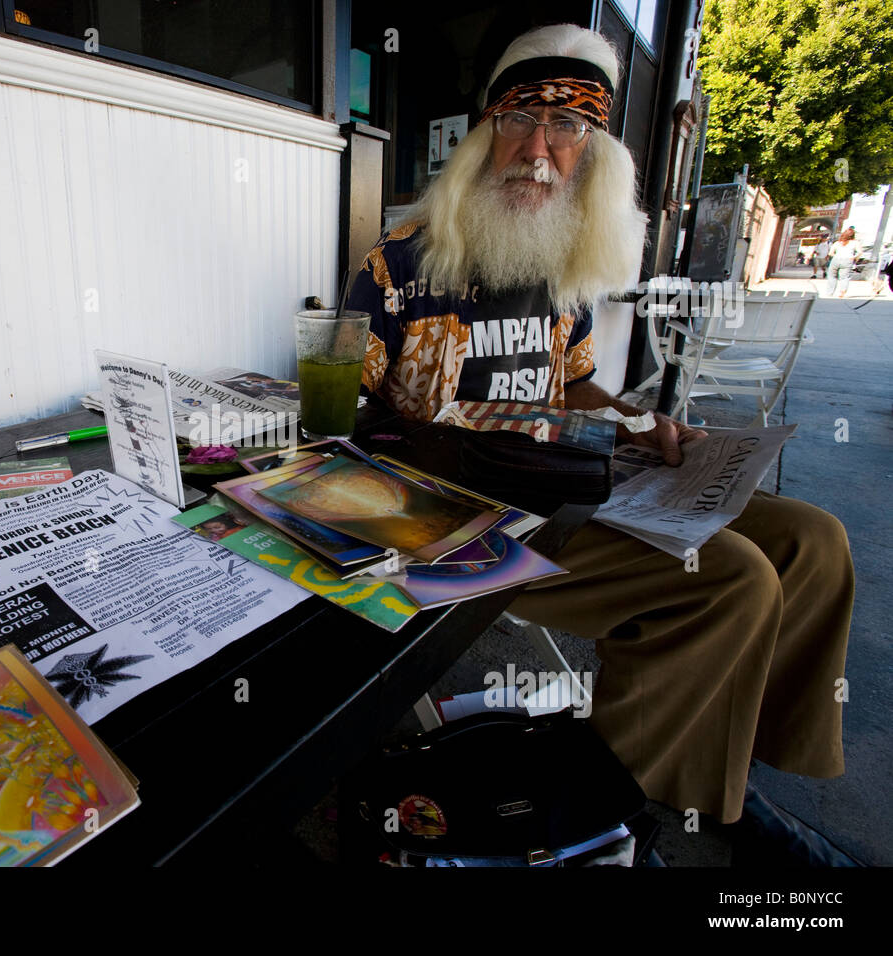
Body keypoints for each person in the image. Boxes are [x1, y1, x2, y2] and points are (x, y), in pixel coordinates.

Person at [347, 23, 858, 866]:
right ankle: (627, 811)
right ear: (484, 136)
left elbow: (575, 381)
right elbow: (352, 420)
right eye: (520, 123)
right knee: (730, 579)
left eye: (570, 128)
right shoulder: (400, 265)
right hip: (476, 516)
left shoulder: (561, 262)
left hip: (579, 480)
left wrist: (640, 423)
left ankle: (725, 783)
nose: (539, 151)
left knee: (813, 542)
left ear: (594, 150)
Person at [826, 227, 859, 296]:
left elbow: (830, 253)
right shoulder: (855, 243)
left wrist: (836, 255)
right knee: (844, 277)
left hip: (836, 259)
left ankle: (830, 292)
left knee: (832, 276)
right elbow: (860, 252)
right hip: (847, 260)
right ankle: (842, 292)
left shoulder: (837, 242)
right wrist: (854, 257)